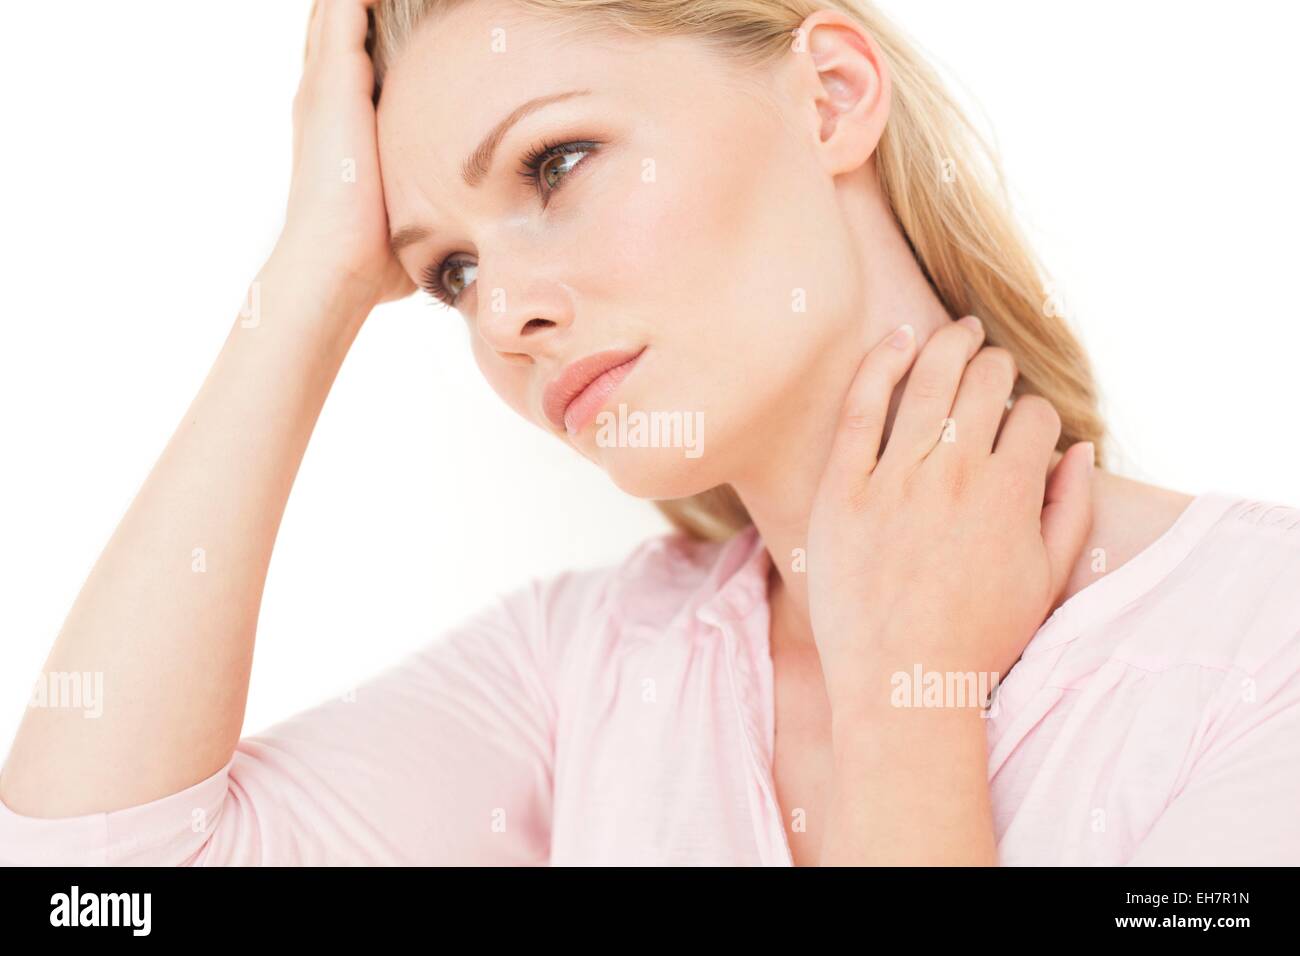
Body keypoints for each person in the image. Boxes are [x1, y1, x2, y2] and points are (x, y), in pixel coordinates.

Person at [2, 0, 1297, 866]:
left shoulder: (1265, 641)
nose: (503, 313)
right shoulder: (582, 673)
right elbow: (94, 872)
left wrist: (909, 708)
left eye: (556, 164)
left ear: (834, 95)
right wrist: (310, 278)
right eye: (447, 272)